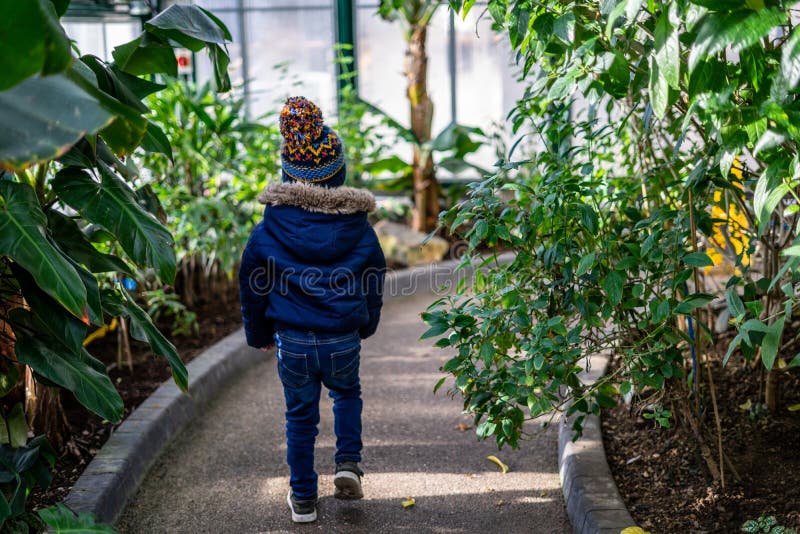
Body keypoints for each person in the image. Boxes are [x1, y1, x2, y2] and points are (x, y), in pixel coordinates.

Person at [238, 96, 386, 524]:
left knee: (299, 416)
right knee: (346, 394)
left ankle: (303, 499)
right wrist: (368, 323)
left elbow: (252, 287)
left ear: (288, 175)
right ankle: (347, 464)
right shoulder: (360, 229)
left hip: (293, 341)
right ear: (339, 174)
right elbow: (374, 279)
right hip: (343, 335)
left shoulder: (267, 230)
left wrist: (259, 335)